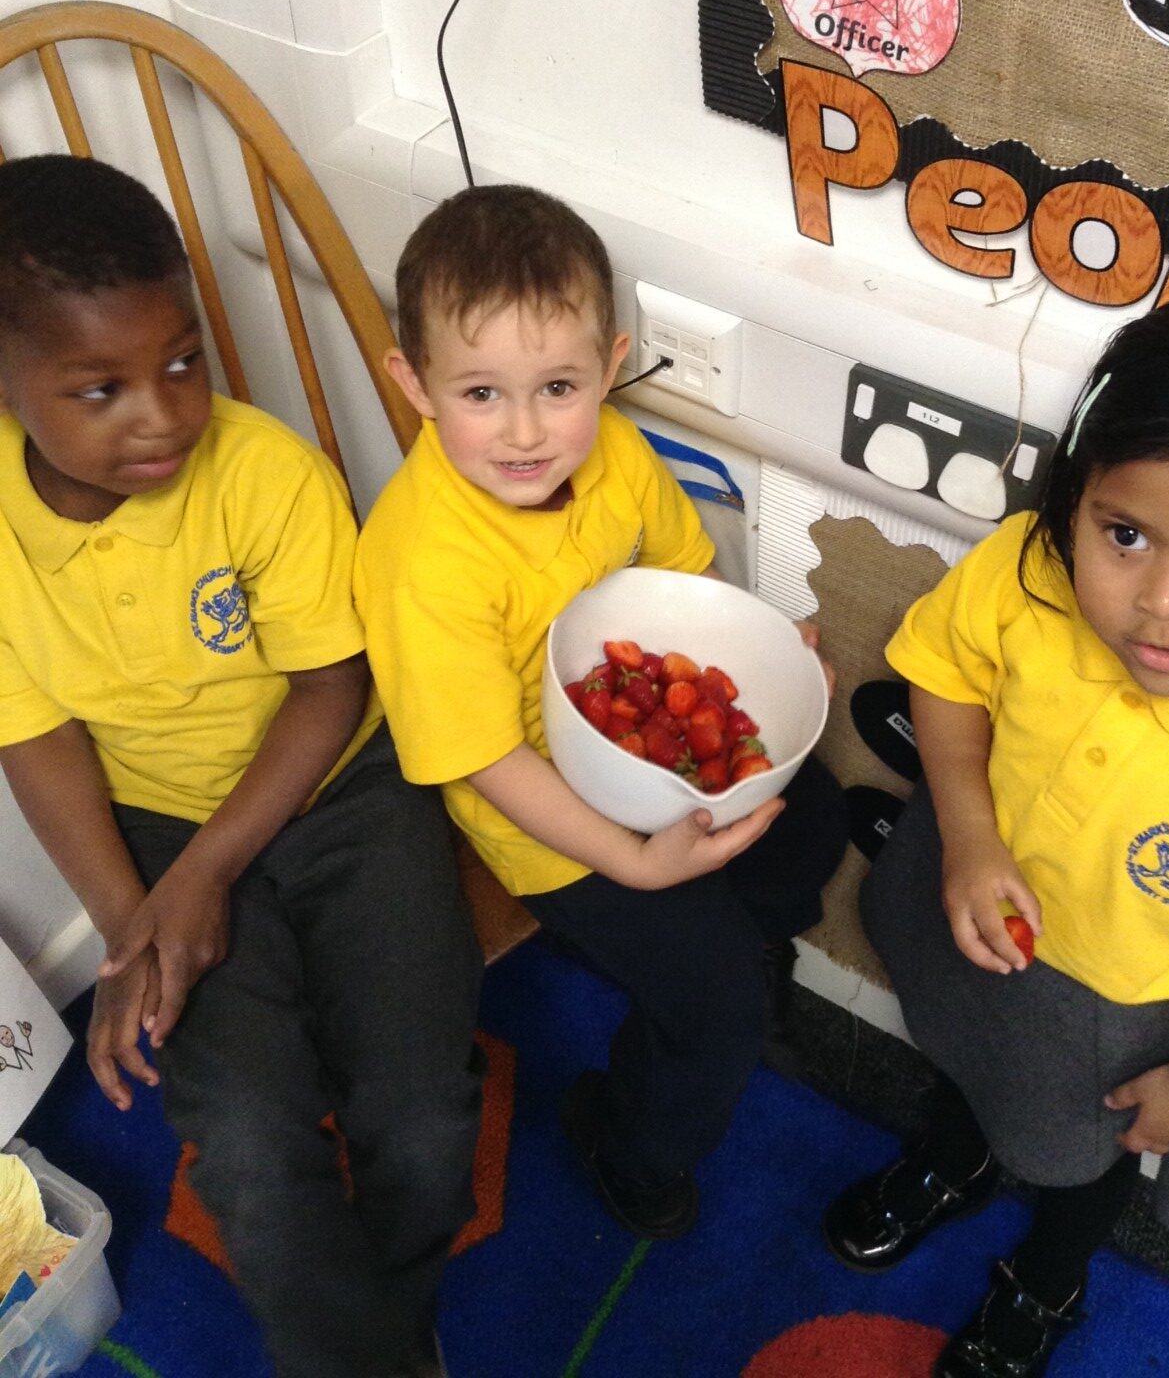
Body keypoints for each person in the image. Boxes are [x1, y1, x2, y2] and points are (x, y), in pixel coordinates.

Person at [0, 155, 483, 1378]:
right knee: (250, 1150)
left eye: (181, 360)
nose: (161, 414)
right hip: (155, 825)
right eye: (98, 388)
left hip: (339, 789)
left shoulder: (267, 475)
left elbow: (333, 687)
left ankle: (394, 1315)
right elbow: (34, 735)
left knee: (423, 1118)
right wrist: (133, 929)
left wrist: (206, 878)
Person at [823, 290, 1169, 1377]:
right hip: (967, 885)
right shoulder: (1029, 567)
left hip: (1113, 1005)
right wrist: (968, 835)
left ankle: (1046, 1280)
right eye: (1125, 533)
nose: (1161, 602)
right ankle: (955, 1161)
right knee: (960, 1056)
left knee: (1080, 1161)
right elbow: (948, 676)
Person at [355, 183, 847, 1240]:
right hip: (540, 814)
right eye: (481, 392)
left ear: (611, 364)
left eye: (559, 386)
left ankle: (731, 956)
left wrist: (762, 646)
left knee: (818, 818)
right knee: (715, 1009)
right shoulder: (420, 563)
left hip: (634, 743)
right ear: (415, 384)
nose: (528, 431)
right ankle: (628, 1144)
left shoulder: (612, 453)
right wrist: (630, 863)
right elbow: (481, 759)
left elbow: (682, 575)